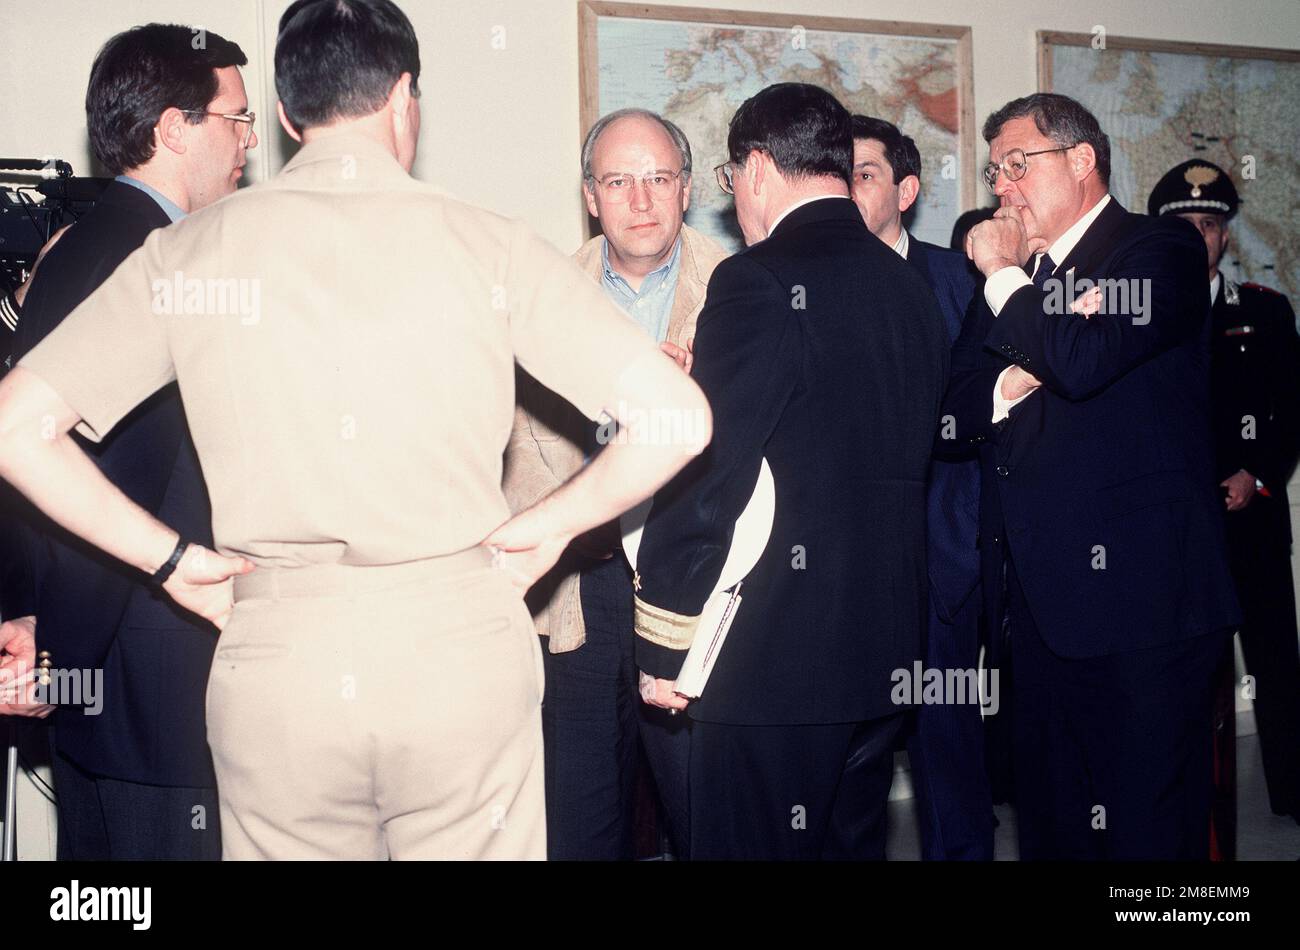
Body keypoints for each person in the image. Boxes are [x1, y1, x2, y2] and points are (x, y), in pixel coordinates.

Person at [0, 0, 709, 860]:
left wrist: (172, 562)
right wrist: (545, 531)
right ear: (405, 97)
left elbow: (18, 427)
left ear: (291, 116)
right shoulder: (492, 246)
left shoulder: (194, 250)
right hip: (458, 647)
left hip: (277, 657)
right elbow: (676, 418)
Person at [631, 83, 949, 860]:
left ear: (759, 169)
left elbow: (709, 474)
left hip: (771, 665)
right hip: (881, 656)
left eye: (729, 178)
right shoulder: (912, 286)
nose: (734, 197)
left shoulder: (756, 281)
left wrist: (664, 641)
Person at [942, 93, 1239, 859]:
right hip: (1034, 610)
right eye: (994, 170)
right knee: (1053, 824)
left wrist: (1007, 275)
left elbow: (1077, 362)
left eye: (1018, 165)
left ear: (1081, 161)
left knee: (1144, 830)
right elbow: (949, 411)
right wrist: (1008, 386)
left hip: (1144, 609)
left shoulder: (1157, 249)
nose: (1002, 188)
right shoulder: (1016, 279)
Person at [0, 23, 256, 860]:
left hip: (95, 679)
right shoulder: (159, 264)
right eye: (237, 120)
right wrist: (55, 654)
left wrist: (34, 626)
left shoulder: (71, 247)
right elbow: (119, 473)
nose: (249, 143)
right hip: (154, 681)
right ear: (176, 128)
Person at [503, 108, 727, 860]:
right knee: (580, 816)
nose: (640, 200)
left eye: (658, 179)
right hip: (580, 583)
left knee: (709, 810)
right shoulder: (539, 295)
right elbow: (511, 450)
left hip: (701, 579)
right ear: (591, 198)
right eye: (618, 181)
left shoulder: (739, 289)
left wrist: (702, 401)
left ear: (687, 189)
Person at [848, 114, 990, 860]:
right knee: (849, 753)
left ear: (905, 190)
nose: (846, 189)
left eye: (864, 174)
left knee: (946, 741)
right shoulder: (809, 284)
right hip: (837, 569)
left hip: (941, 564)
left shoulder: (959, 283)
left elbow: (995, 419)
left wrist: (962, 551)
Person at [1149, 159, 1300, 824]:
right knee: (1181, 677)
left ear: (1225, 238)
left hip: (1252, 522)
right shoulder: (1143, 317)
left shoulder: (1264, 312)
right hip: (1176, 531)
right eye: (1184, 226)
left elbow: (1292, 412)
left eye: (1208, 225)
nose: (1198, 236)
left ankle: (1292, 792)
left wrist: (1256, 476)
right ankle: (1187, 801)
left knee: (1275, 664)